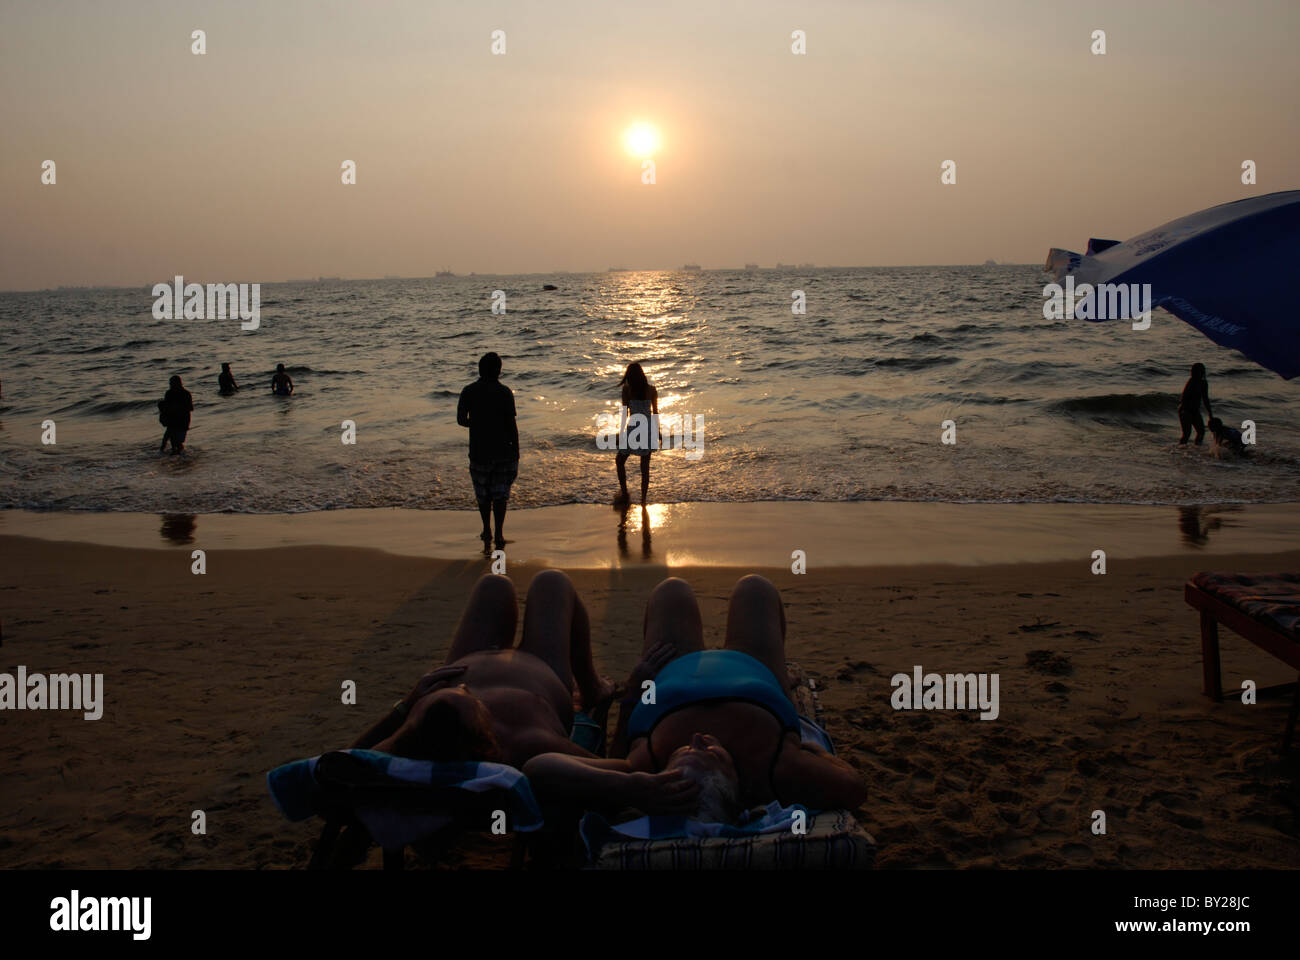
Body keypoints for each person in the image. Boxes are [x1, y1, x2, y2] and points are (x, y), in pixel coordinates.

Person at [524, 575, 867, 821]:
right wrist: (803, 741)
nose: (697, 739)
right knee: (755, 588)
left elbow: (538, 769)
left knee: (671, 590)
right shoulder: (776, 769)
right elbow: (854, 787)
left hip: (672, 670)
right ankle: (782, 681)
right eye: (712, 755)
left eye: (684, 753)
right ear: (736, 783)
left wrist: (634, 695)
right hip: (755, 672)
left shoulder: (648, 774)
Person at [351, 571, 614, 769]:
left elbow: (344, 762)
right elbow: (620, 773)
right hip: (542, 670)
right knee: (552, 582)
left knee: (494, 584)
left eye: (457, 690)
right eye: (472, 699)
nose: (465, 687)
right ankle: (592, 688)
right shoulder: (525, 741)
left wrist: (408, 705)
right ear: (485, 733)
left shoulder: (409, 737)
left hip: (473, 656)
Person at [457, 352, 519, 548]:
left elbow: (460, 419)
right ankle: (499, 533)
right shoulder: (505, 392)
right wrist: (516, 451)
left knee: (483, 495)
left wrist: (477, 424)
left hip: (479, 451)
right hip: (503, 452)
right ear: (499, 371)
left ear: (479, 370)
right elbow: (511, 425)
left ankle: (486, 530)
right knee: (500, 495)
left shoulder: (468, 391)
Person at [615, 362, 659, 505]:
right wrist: (657, 432)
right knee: (644, 468)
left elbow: (624, 414)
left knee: (620, 461)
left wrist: (621, 433)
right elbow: (655, 414)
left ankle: (625, 493)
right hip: (647, 430)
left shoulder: (627, 390)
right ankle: (643, 500)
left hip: (633, 429)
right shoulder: (651, 390)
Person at [157, 375, 193, 455]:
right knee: (168, 439)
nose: (170, 385)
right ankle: (175, 458)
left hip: (182, 420)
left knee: (176, 441)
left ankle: (176, 457)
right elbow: (165, 408)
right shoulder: (170, 393)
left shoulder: (185, 394)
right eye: (170, 384)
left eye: (172, 383)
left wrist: (176, 408)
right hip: (172, 420)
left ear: (178, 383)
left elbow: (189, 408)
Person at [1178, 362, 1212, 445]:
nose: (1201, 373)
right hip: (1185, 410)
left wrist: (1210, 413)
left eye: (1202, 371)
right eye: (1199, 371)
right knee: (1187, 434)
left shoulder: (1204, 383)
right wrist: (1185, 412)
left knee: (1201, 432)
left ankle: (1196, 449)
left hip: (1195, 411)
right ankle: (1180, 450)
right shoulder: (1191, 382)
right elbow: (1183, 398)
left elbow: (1205, 399)